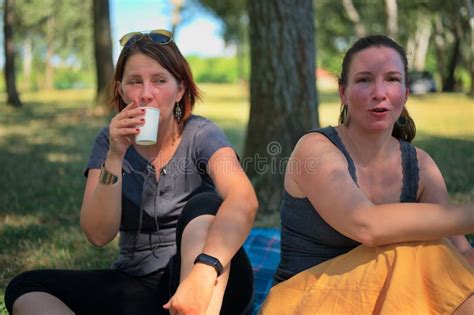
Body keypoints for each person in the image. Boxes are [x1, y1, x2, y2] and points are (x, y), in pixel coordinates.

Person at [5, 29, 258, 315]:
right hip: (137, 287)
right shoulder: (108, 142)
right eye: (135, 82)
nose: (146, 94)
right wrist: (115, 156)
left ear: (180, 90)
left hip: (209, 282)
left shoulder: (202, 134)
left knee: (205, 205)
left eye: (159, 81)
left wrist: (204, 270)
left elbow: (244, 199)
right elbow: (99, 235)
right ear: (122, 91)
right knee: (26, 288)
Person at [261, 35, 474, 314]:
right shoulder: (314, 149)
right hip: (303, 301)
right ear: (343, 92)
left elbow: (460, 252)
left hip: (385, 302)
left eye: (392, 79)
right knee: (419, 247)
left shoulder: (419, 166)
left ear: (406, 93)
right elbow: (367, 225)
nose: (379, 92)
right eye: (364, 80)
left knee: (437, 255)